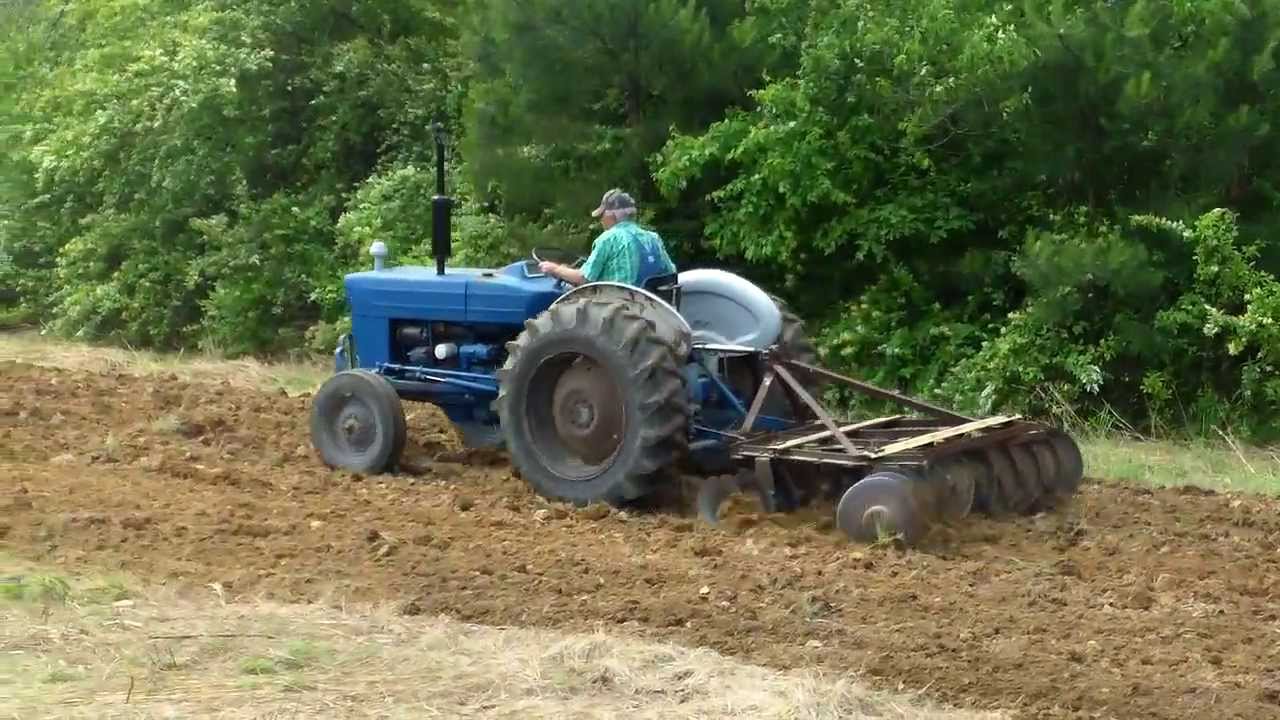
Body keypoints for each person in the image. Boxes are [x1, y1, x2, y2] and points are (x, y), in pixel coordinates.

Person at [538, 188, 677, 288]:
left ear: (611, 215)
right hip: (651, 306)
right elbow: (671, 272)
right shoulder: (653, 238)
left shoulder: (608, 239)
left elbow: (583, 278)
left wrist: (554, 269)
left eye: (602, 215)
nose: (601, 220)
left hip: (618, 308)